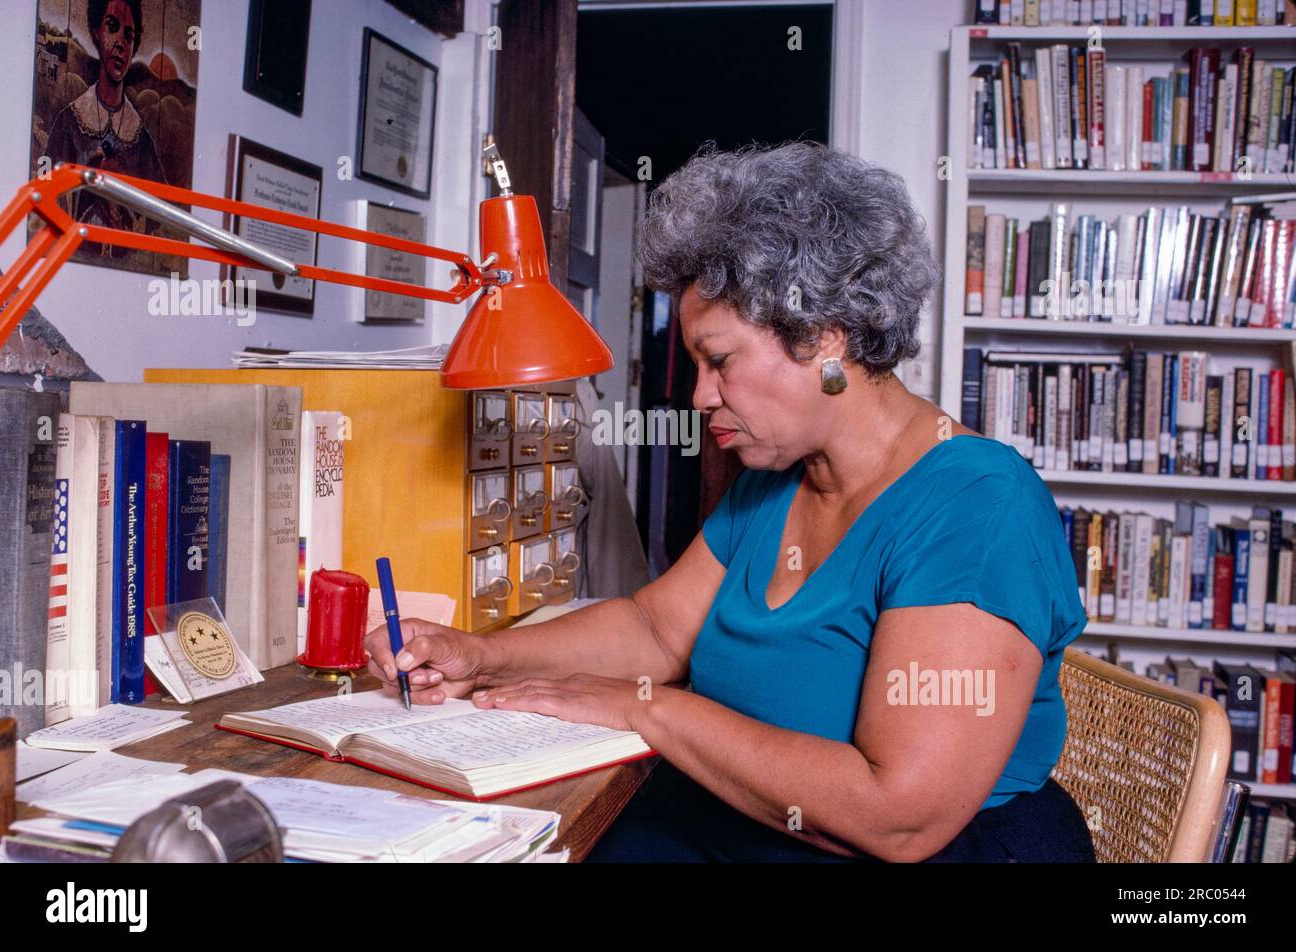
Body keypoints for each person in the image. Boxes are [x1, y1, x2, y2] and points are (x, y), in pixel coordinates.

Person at [366, 142, 1095, 863]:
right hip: (747, 823)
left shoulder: (977, 505)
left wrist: (650, 708)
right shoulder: (776, 480)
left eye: (719, 361)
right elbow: (656, 631)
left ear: (825, 338)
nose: (700, 397)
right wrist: (480, 657)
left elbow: (897, 816)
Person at [44, 0, 166, 234]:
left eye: (128, 36)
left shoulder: (140, 139)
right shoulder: (69, 122)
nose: (120, 43)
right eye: (112, 27)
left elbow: (159, 212)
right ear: (96, 32)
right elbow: (49, 198)